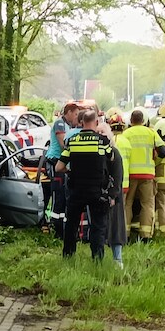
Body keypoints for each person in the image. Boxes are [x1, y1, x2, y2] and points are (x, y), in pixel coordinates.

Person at [55, 109, 115, 261]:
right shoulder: (102, 142)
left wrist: (71, 171)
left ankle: (68, 256)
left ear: (81, 122)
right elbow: (111, 158)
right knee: (98, 226)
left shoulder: (72, 141)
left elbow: (58, 167)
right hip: (97, 191)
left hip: (76, 190)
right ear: (96, 122)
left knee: (72, 225)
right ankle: (97, 259)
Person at [122, 109, 165, 241]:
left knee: (128, 204)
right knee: (147, 204)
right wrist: (155, 162)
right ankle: (145, 235)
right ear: (143, 121)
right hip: (147, 175)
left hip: (131, 174)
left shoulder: (126, 134)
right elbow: (163, 151)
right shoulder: (151, 133)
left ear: (131, 121)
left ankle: (126, 234)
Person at [44, 101, 82, 238]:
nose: (77, 117)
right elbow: (62, 144)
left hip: (63, 163)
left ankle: (63, 228)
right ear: (69, 112)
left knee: (65, 196)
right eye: (76, 114)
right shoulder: (60, 123)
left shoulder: (69, 126)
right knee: (58, 195)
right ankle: (55, 226)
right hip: (55, 162)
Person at [98, 118, 128, 269]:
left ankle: (118, 260)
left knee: (115, 228)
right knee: (100, 229)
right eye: (98, 132)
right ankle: (99, 260)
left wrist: (113, 195)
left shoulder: (114, 153)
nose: (100, 135)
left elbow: (118, 176)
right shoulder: (97, 153)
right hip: (99, 195)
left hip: (113, 197)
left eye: (103, 132)